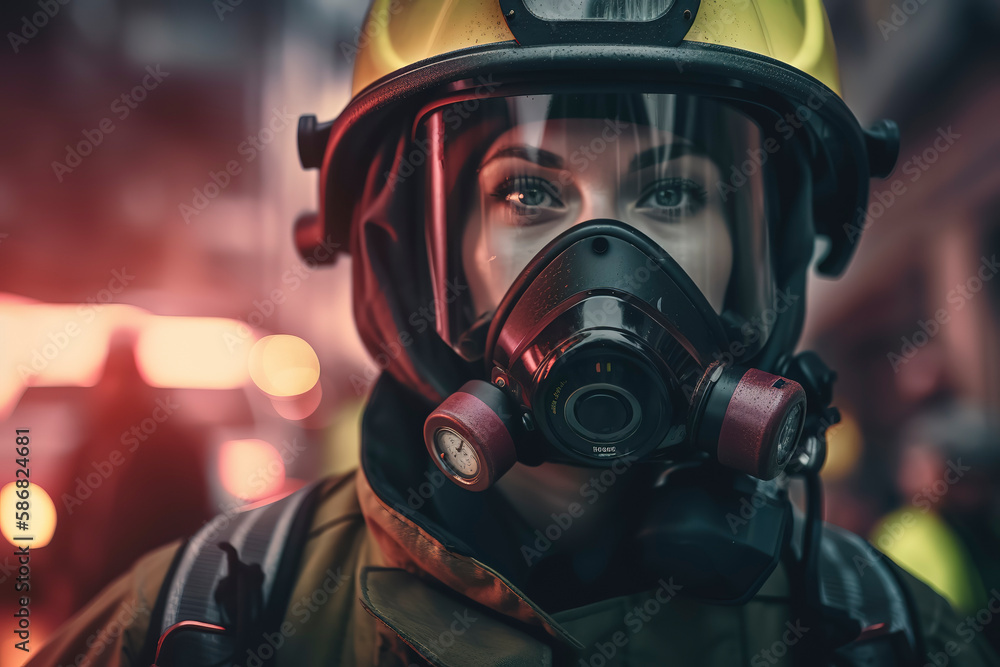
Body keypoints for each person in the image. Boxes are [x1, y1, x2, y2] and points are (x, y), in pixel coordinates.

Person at [27, 1, 1000, 665]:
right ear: (414, 251)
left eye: (670, 192)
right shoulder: (207, 620)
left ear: (768, 248)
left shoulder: (885, 635)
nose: (603, 266)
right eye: (529, 193)